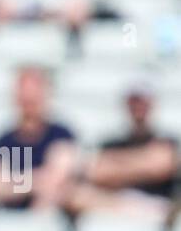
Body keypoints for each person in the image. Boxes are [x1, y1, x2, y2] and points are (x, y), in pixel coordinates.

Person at [73, 83, 179, 216]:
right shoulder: (110, 142)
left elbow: (161, 165)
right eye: (134, 101)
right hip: (117, 206)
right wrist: (145, 161)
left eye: (142, 101)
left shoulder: (169, 141)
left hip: (155, 208)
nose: (138, 106)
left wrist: (117, 164)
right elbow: (96, 172)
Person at [0, 65, 76, 210]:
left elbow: (57, 178)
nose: (29, 100)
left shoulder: (61, 135)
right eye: (25, 96)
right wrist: (37, 182)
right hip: (10, 214)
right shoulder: (2, 141)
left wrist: (15, 184)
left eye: (34, 95)